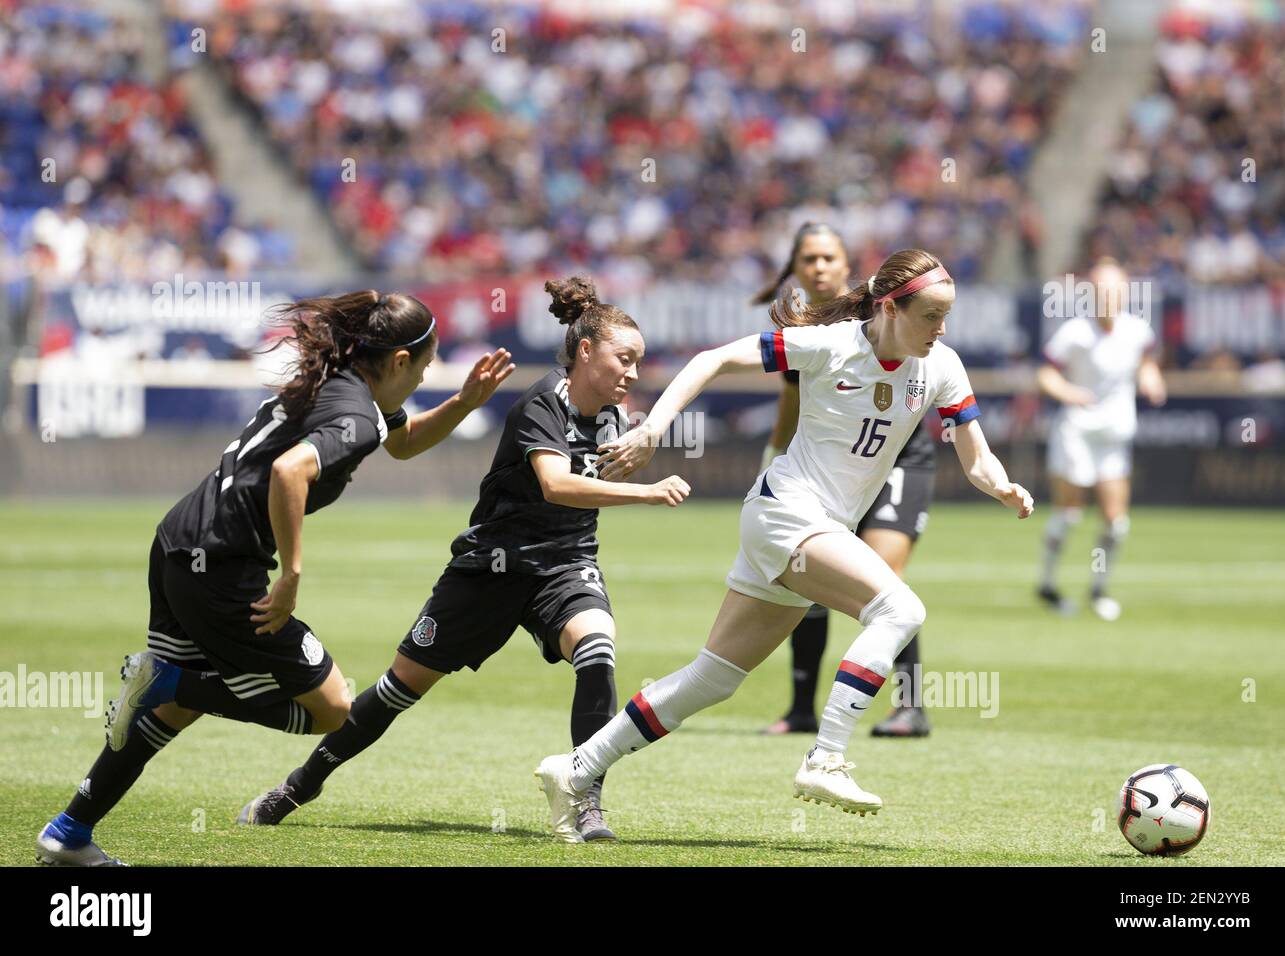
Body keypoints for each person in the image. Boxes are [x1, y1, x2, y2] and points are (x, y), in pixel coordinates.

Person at [535, 249, 1034, 835]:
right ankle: (825, 758)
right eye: (930, 315)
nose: (941, 329)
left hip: (809, 525)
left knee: (713, 678)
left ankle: (576, 768)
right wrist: (653, 429)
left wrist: (1002, 487)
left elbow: (977, 458)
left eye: (945, 316)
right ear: (890, 308)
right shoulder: (831, 345)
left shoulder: (942, 365)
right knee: (901, 609)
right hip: (786, 514)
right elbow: (714, 359)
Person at [36, 290, 515, 865]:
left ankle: (69, 830)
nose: (423, 378)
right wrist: (291, 573)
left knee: (177, 711)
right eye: (426, 366)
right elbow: (291, 471)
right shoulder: (357, 416)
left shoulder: (338, 381)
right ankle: (167, 681)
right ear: (398, 361)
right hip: (221, 566)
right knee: (331, 708)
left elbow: (405, 442)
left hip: (177, 546)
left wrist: (463, 401)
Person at [236, 277, 691, 844]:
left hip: (565, 565)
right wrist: (646, 491)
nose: (633, 373)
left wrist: (633, 454)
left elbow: (592, 477)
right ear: (584, 351)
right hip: (490, 569)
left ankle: (585, 801)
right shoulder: (542, 402)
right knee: (399, 689)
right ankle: (300, 784)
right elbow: (554, 484)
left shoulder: (613, 417)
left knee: (597, 651)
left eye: (638, 362)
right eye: (625, 359)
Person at [756, 223, 938, 739]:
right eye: (808, 259)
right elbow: (793, 400)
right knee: (808, 574)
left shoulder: (877, 312)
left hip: (898, 460)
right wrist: (774, 457)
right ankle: (801, 709)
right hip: (830, 470)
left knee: (882, 576)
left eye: (828, 258)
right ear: (794, 268)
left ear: (845, 265)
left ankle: (910, 707)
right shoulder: (802, 327)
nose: (819, 267)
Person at [1037, 259, 1166, 621]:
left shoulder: (1137, 331)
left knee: (1115, 521)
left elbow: (1146, 362)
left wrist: (1151, 377)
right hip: (1077, 432)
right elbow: (1046, 374)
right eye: (1100, 289)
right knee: (1070, 513)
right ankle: (1048, 584)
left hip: (1113, 435)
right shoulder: (1075, 333)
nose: (1108, 296)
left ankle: (1098, 589)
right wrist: (1068, 392)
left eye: (1114, 289)